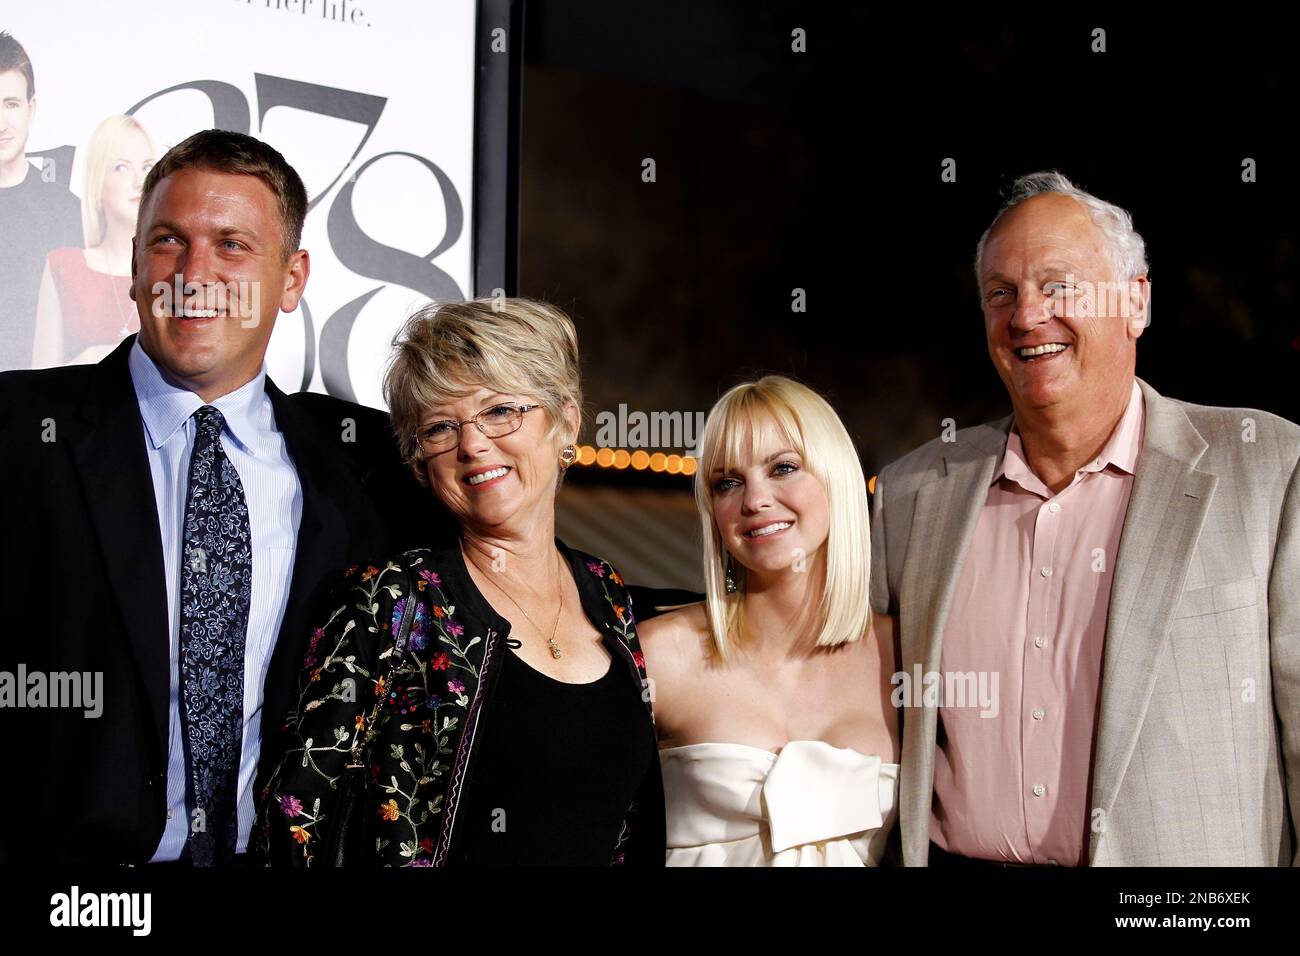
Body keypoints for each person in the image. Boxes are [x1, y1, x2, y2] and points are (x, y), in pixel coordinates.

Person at [0, 129, 434, 866]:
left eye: (232, 245)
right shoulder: (16, 433)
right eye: (168, 241)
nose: (193, 273)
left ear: (292, 279)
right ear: (135, 267)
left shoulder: (369, 467)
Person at [871, 171, 1300, 867]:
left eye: (1059, 285)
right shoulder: (912, 494)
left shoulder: (1272, 470)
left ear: (1136, 302)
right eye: (1000, 294)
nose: (1027, 316)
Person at [255, 298, 665, 867]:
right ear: (421, 462)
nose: (472, 445)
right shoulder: (388, 601)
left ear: (566, 422)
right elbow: (295, 824)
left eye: (500, 411)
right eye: (442, 428)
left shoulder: (607, 592)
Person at [638, 375, 899, 866]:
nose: (754, 500)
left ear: (835, 476)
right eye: (727, 483)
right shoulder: (659, 653)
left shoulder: (906, 658)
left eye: (783, 468)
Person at [31, 115, 156, 367]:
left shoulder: (179, 268)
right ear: (98, 183)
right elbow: (40, 378)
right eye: (122, 167)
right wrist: (86, 363)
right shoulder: (64, 266)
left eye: (146, 167)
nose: (138, 181)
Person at [0, 30, 81, 371]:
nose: (1, 123)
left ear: (31, 109)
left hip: (39, 403)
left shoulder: (66, 210)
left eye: (11, 104)